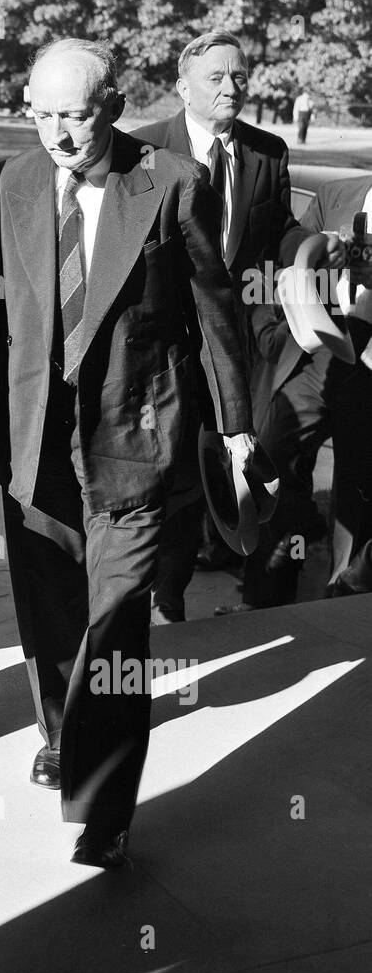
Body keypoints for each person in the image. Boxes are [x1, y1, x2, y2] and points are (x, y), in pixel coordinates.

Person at [0, 38, 254, 868]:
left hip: (135, 435)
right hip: (33, 439)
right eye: (45, 115)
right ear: (28, 107)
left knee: (118, 620)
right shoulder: (12, 183)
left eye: (79, 115)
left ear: (116, 103)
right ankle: (61, 732)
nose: (60, 134)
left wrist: (235, 422)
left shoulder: (171, 183)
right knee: (51, 609)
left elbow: (215, 308)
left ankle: (103, 803)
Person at [133, 31, 305, 619]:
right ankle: (164, 598)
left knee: (244, 462)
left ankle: (255, 588)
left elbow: (275, 230)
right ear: (182, 88)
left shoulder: (268, 152)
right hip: (173, 344)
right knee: (176, 475)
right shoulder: (143, 150)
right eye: (216, 78)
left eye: (239, 77)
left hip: (244, 343)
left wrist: (309, 247)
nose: (232, 88)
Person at [244, 175, 372, 602]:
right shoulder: (338, 193)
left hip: (370, 362)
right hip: (319, 350)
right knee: (273, 459)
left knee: (358, 486)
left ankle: (342, 597)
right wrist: (315, 249)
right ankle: (266, 596)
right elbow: (289, 246)